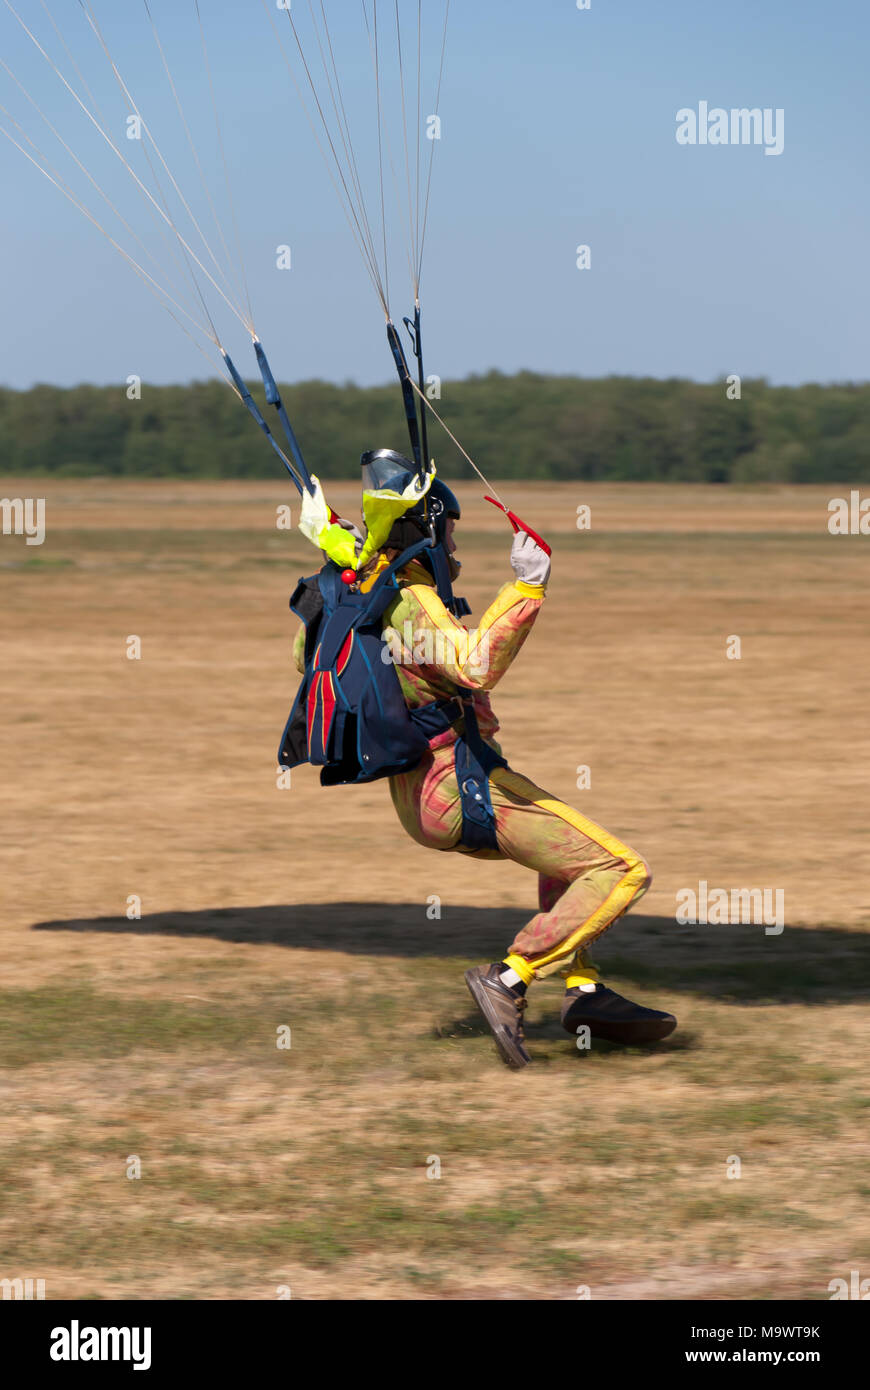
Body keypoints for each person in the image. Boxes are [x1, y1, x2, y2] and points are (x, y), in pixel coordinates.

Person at [294, 450, 676, 1068]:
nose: (455, 543)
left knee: (563, 858)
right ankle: (511, 977)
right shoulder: (411, 601)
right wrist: (527, 587)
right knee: (620, 869)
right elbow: (474, 665)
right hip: (462, 784)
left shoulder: (355, 595)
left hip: (422, 794)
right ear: (428, 530)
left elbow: (305, 661)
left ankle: (584, 993)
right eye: (450, 530)